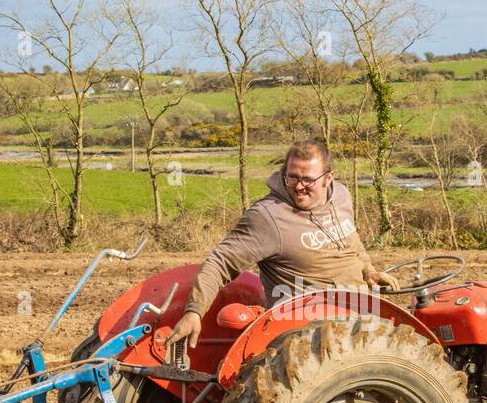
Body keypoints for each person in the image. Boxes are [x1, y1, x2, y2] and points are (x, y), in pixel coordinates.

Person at [166, 140, 398, 349]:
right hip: (308, 334)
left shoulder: (341, 196)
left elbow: (350, 237)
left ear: (329, 178)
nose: (298, 186)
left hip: (359, 314)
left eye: (307, 179)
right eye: (292, 177)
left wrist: (369, 270)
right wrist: (194, 311)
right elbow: (220, 262)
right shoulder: (268, 217)